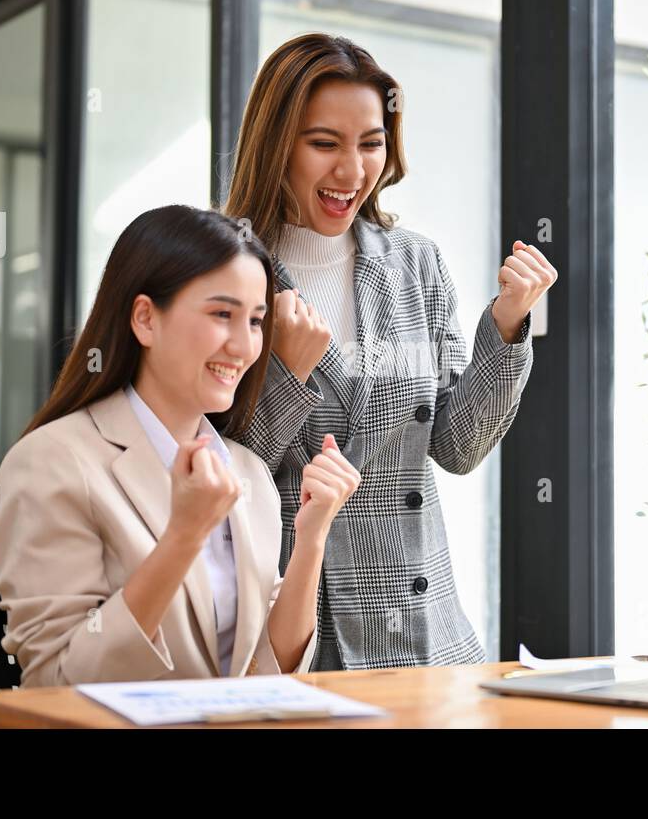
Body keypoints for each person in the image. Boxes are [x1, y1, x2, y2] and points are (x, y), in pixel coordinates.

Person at [224, 34, 557, 669]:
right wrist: (289, 373)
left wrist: (508, 324)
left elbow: (457, 446)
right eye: (324, 144)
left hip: (425, 641)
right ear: (275, 145)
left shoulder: (414, 263)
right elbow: (224, 471)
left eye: (370, 144)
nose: (351, 171)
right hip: (295, 632)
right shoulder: (227, 270)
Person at [0, 205, 360, 686]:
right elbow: (61, 683)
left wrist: (311, 539)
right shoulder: (50, 463)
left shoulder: (247, 472)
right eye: (222, 314)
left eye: (257, 321)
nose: (244, 347)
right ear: (145, 319)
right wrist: (184, 536)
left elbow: (266, 671)